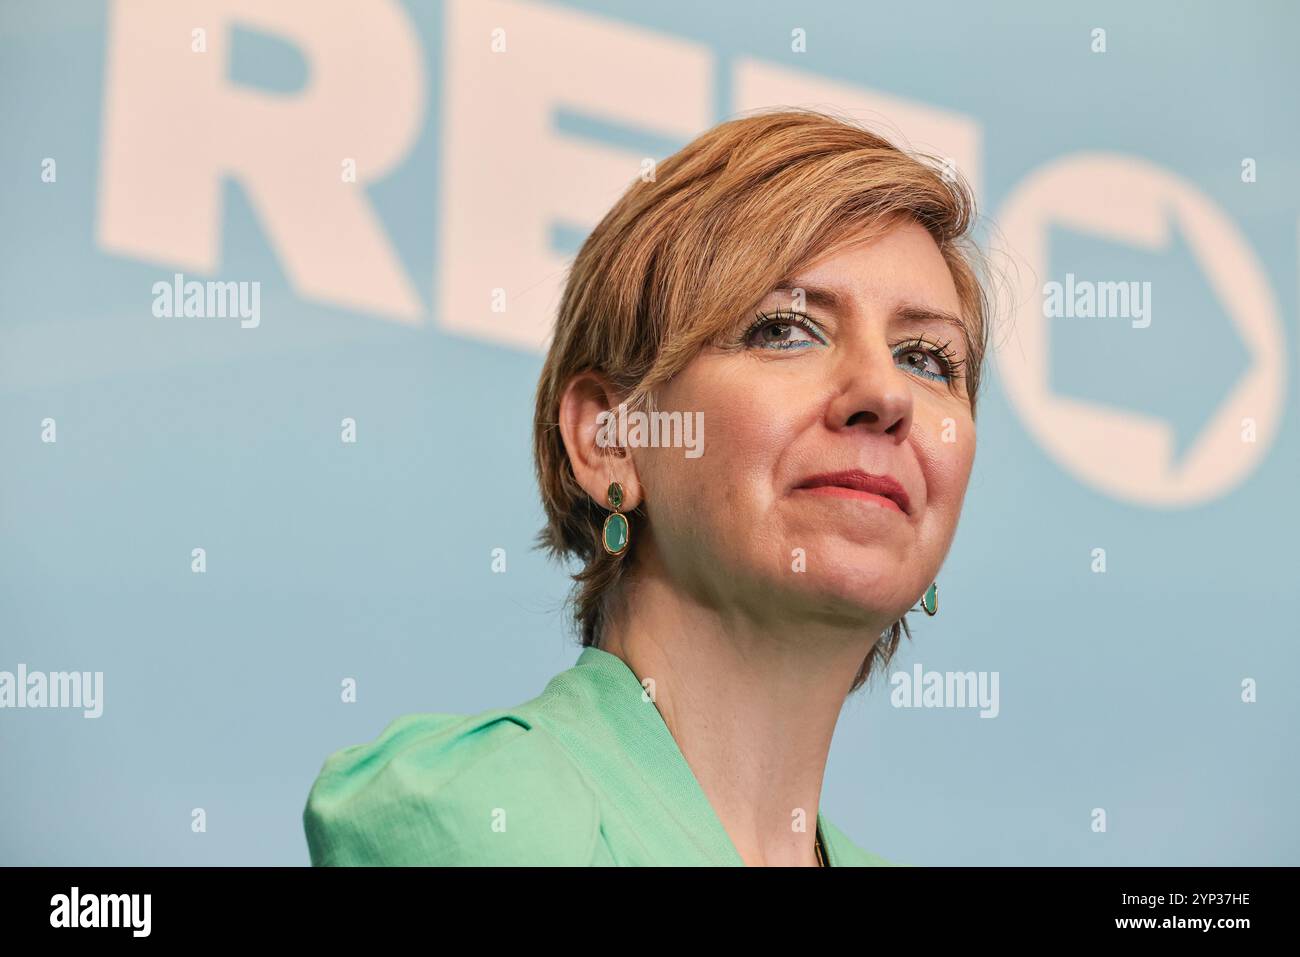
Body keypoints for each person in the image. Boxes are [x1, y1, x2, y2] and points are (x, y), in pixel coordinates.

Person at [304, 107, 990, 866]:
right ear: (611, 440)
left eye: (927, 358)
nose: (886, 393)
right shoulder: (485, 811)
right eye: (785, 329)